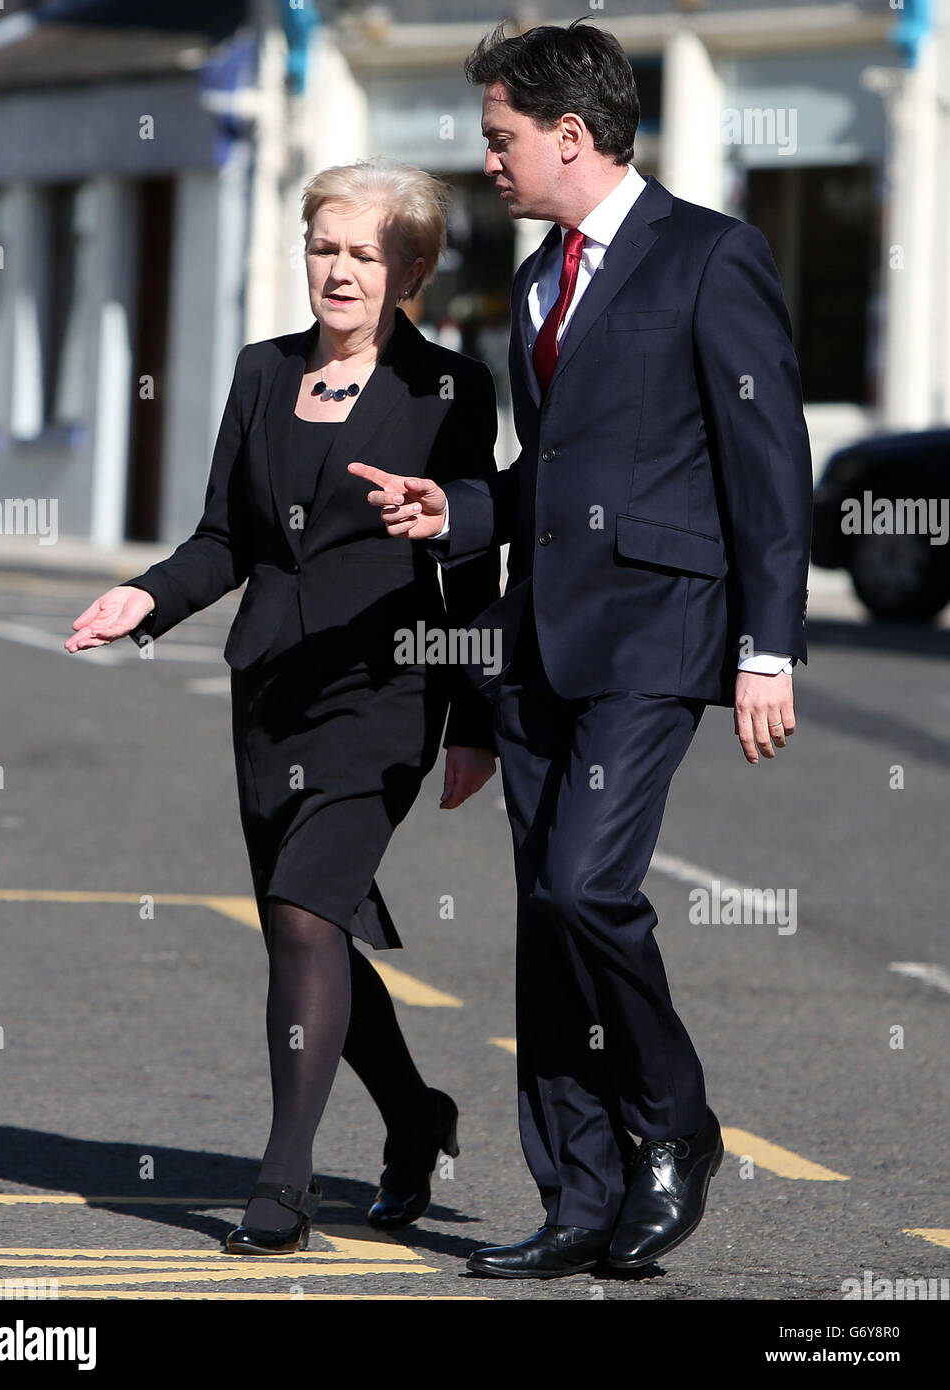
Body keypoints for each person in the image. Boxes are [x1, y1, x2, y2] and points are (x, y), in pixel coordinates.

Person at [349, 21, 813, 1279]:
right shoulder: (544, 275)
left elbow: (770, 471)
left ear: (570, 134)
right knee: (542, 923)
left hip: (658, 635)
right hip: (535, 642)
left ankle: (677, 1126)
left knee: (582, 886)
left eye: (499, 137)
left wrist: (768, 648)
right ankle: (576, 1194)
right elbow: (542, 477)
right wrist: (458, 509)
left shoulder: (712, 257)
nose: (485, 160)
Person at [65, 158, 500, 1254]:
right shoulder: (262, 373)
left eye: (364, 253)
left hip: (387, 687)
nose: (339, 270)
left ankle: (283, 1180)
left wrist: (480, 716)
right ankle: (416, 1116)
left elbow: (478, 555)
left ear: (409, 270)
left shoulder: (447, 387)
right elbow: (226, 539)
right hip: (270, 694)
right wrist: (147, 596)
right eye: (324, 248)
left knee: (309, 914)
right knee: (308, 931)